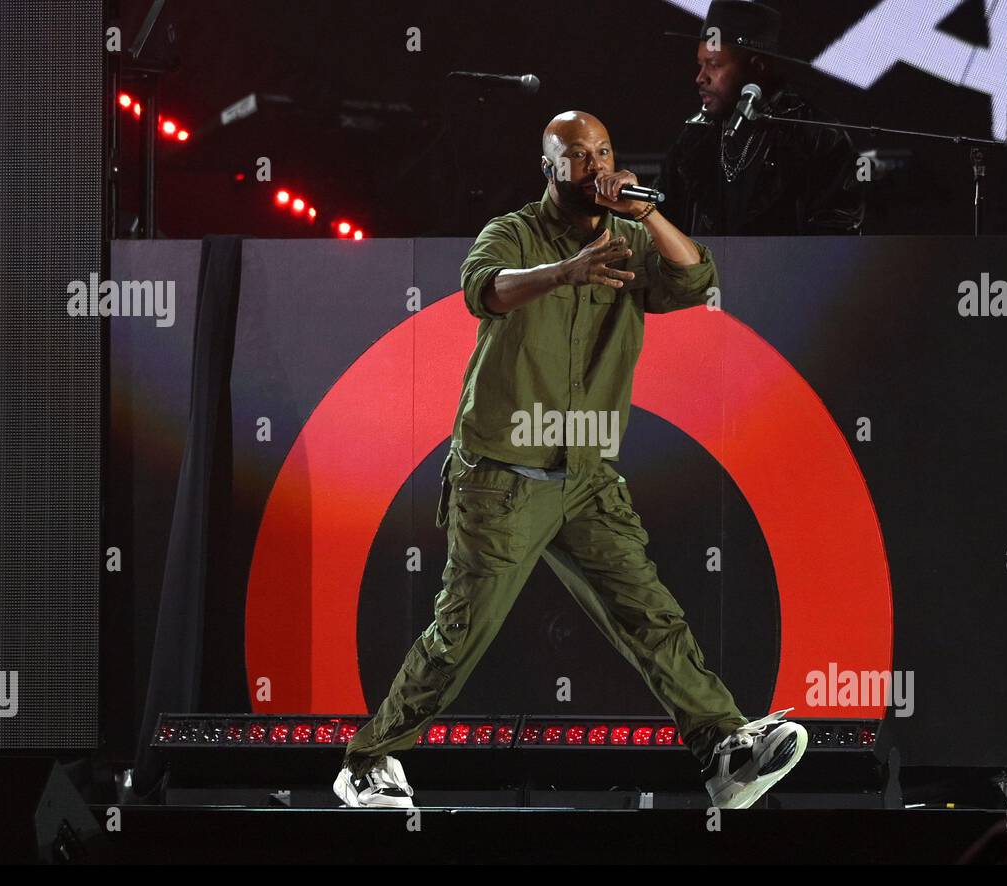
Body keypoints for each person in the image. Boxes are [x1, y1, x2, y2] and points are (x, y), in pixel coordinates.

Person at [333, 109, 807, 810]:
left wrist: (648, 214)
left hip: (585, 478)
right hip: (500, 478)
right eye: (577, 155)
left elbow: (696, 275)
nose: (594, 165)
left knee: (650, 613)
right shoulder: (515, 231)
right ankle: (368, 762)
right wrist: (566, 271)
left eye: (603, 151)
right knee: (459, 635)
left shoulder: (628, 237)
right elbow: (484, 290)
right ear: (550, 169)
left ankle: (725, 749)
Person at [657, 0, 864, 236]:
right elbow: (660, 219)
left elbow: (836, 238)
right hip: (707, 273)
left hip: (783, 273)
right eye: (700, 65)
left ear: (757, 67)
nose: (700, 78)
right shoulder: (695, 137)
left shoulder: (818, 136)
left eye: (713, 65)